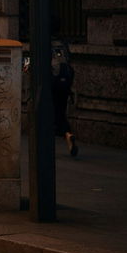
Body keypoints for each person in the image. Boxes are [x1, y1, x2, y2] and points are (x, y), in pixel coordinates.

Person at [51, 25, 78, 157]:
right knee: (60, 112)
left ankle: (66, 135)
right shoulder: (63, 43)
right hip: (65, 83)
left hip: (52, 82)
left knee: (51, 114)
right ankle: (68, 135)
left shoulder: (44, 42)